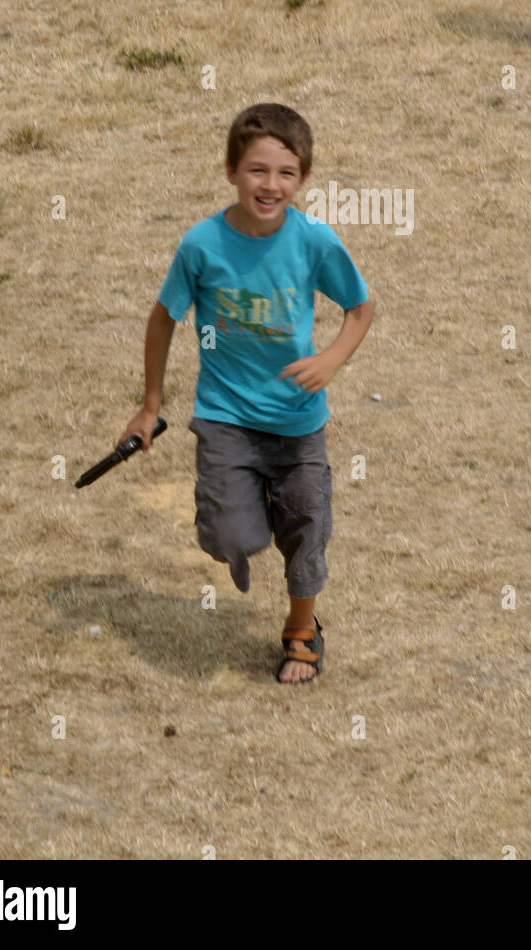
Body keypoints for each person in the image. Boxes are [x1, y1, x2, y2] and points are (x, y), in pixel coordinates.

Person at [119, 102, 374, 684]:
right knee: (232, 536)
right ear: (231, 170)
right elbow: (163, 320)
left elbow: (360, 309)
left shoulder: (313, 242)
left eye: (286, 173)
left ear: (303, 179)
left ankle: (302, 631)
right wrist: (150, 405)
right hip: (225, 418)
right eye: (257, 170)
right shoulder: (202, 245)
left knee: (307, 528)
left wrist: (332, 358)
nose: (271, 185)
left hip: (298, 421)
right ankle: (242, 506)